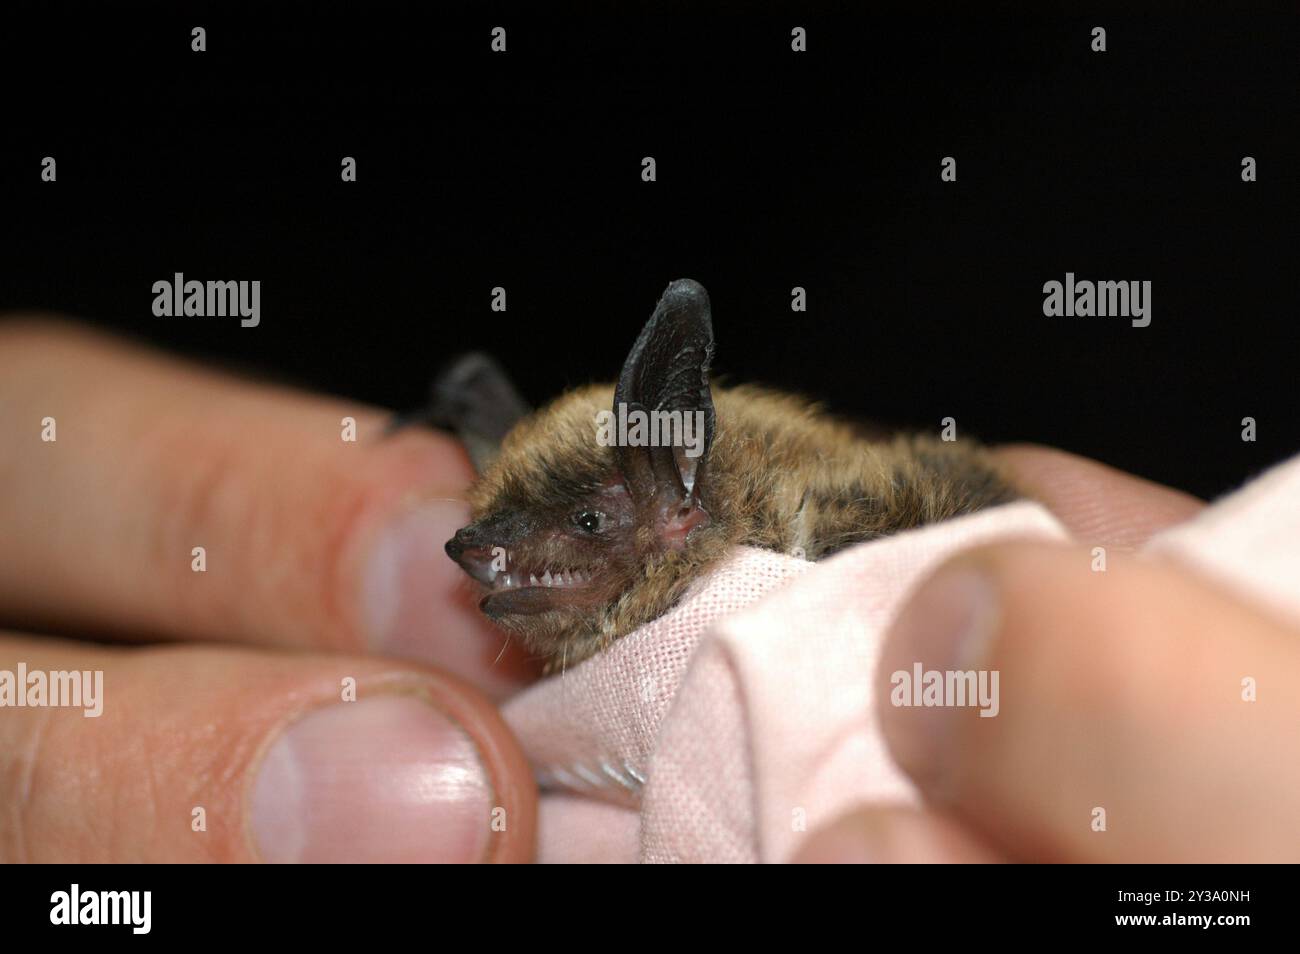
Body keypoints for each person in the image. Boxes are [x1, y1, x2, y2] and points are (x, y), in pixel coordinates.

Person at [3, 318, 1291, 863]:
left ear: (676, 499)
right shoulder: (611, 559)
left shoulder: (804, 525)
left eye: (580, 525)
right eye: (489, 542)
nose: (488, 572)